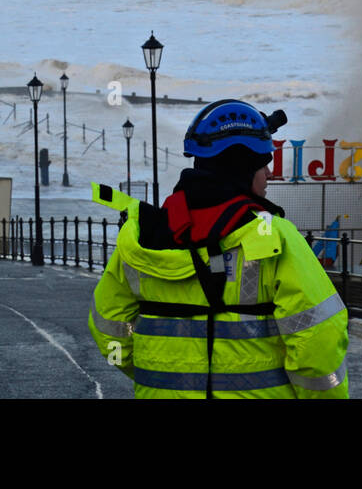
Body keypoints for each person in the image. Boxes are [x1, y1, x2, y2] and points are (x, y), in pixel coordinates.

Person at [89, 99, 348, 398]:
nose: (268, 174)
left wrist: (158, 374)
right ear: (240, 169)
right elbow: (319, 339)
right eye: (262, 165)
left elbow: (108, 326)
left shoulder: (143, 235)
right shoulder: (274, 236)